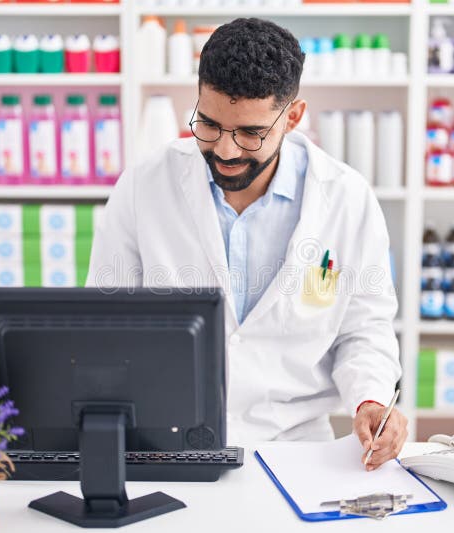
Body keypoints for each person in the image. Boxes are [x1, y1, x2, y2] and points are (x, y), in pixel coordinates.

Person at [87, 18, 406, 470]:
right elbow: (106, 320)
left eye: (251, 133)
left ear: (292, 117)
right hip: (166, 441)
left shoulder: (346, 199)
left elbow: (364, 329)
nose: (227, 151)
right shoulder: (143, 186)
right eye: (210, 125)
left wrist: (370, 398)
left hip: (295, 448)